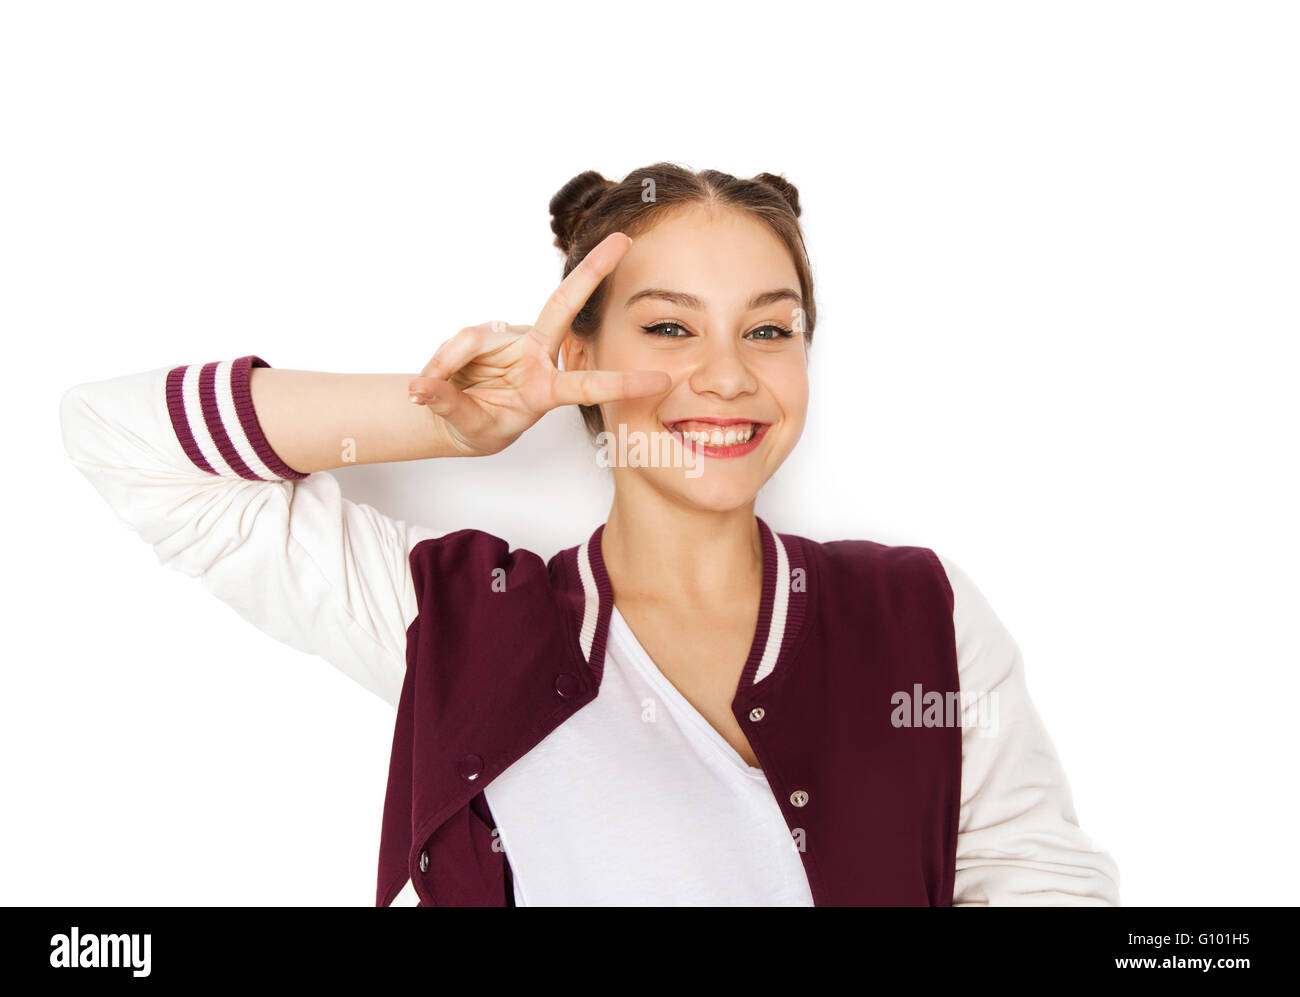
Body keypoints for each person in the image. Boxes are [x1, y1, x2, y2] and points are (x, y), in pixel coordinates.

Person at [59, 162, 1120, 906]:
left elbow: (1040, 880)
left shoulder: (921, 610)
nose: (726, 373)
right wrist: (445, 419)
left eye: (769, 328)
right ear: (579, 356)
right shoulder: (457, 622)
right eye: (667, 327)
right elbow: (118, 435)